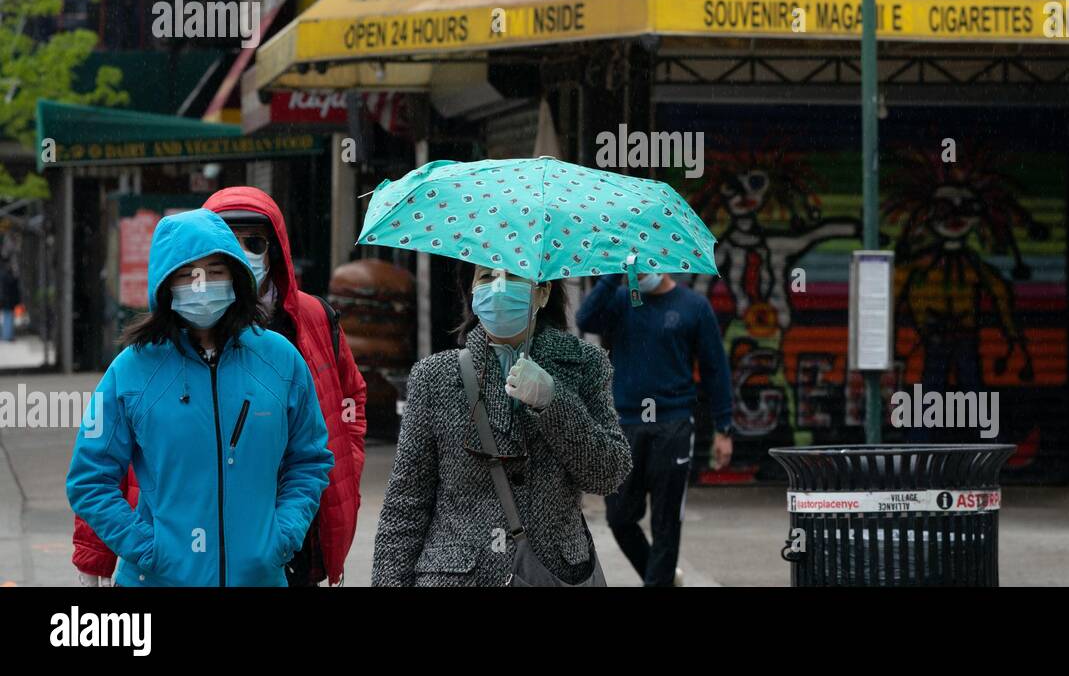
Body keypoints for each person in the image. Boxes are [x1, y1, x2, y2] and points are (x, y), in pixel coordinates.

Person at [72, 187, 367, 587]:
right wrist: (147, 549)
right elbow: (91, 479)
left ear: (236, 279)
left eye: (215, 272)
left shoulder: (279, 359)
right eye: (187, 274)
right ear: (165, 283)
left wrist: (280, 538)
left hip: (261, 577)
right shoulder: (132, 370)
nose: (202, 286)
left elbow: (310, 460)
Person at [371, 264, 631, 586]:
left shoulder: (584, 364)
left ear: (543, 292)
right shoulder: (434, 376)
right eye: (487, 277)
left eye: (514, 276)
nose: (499, 287)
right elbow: (406, 500)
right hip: (457, 577)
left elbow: (608, 473)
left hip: (553, 574)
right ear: (473, 294)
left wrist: (554, 401)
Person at [576, 271, 734, 587]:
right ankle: (661, 578)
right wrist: (612, 276)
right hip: (625, 425)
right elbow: (585, 318)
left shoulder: (694, 306)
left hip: (673, 425)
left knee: (666, 525)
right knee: (619, 518)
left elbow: (715, 368)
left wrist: (724, 428)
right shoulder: (621, 300)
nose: (641, 268)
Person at [0, 257, 20, 342]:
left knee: (8, 317)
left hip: (7, 300)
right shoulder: (6, 275)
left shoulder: (5, 274)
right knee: (8, 317)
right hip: (8, 300)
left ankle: (7, 335)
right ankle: (7, 335)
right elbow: (12, 284)